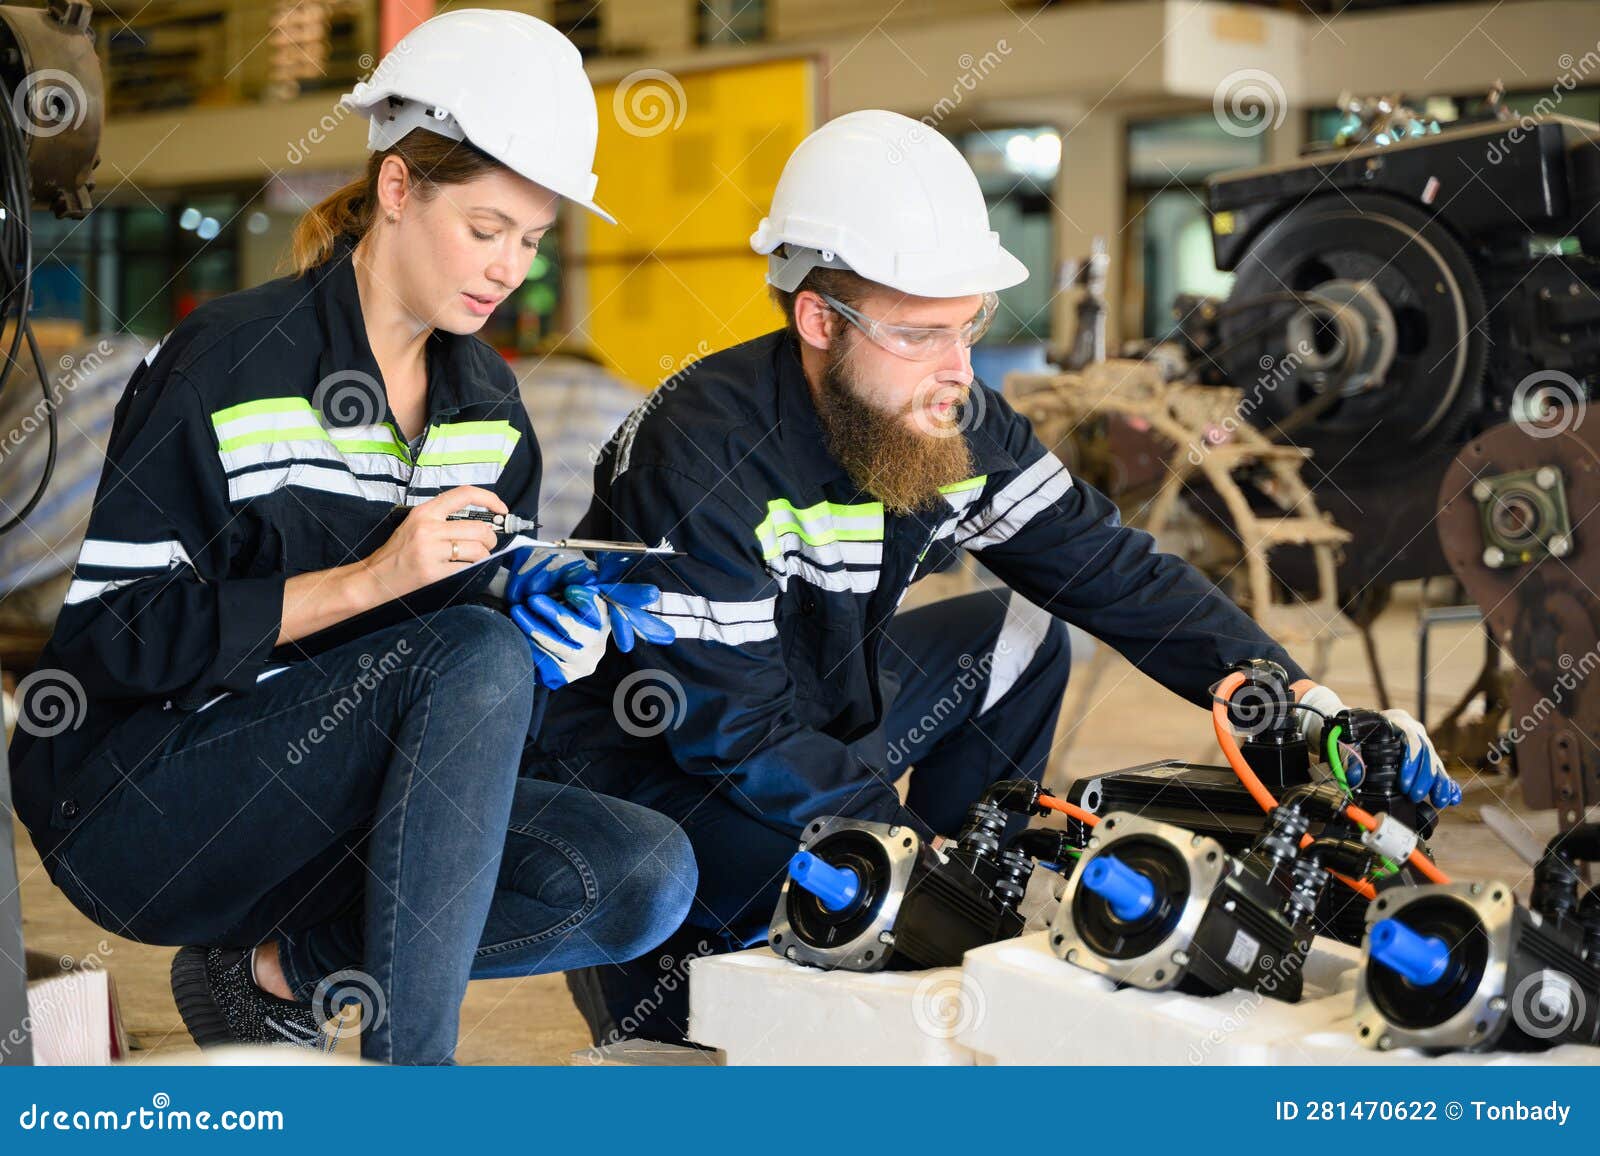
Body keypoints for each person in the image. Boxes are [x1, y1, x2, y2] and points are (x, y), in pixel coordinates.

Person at [526, 109, 1461, 1044]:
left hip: (812, 709)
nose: (957, 369)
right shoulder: (702, 454)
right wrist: (890, 842)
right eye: (923, 335)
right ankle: (794, 930)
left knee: (1016, 636)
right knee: (733, 1001)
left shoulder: (946, 417)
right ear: (818, 318)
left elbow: (1105, 565)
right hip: (656, 778)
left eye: (969, 328)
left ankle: (952, 907)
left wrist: (1296, 700)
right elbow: (731, 728)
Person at [6, 10, 693, 1065]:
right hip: (141, 805)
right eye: (485, 228)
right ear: (398, 189)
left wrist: (542, 627)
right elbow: (115, 638)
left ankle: (275, 973)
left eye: (532, 238)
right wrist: (372, 579)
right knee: (470, 653)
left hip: (324, 813)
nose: (510, 266)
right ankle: (412, 1085)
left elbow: (437, 667)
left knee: (643, 872)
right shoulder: (230, 361)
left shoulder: (488, 410)